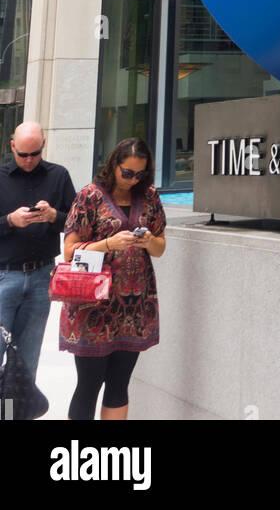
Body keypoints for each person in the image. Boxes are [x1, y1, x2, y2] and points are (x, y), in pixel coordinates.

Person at [60, 137, 166, 421]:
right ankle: (78, 459)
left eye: (139, 174)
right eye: (127, 173)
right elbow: (69, 251)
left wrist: (149, 240)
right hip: (92, 305)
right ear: (114, 165)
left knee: (119, 385)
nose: (132, 180)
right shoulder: (90, 196)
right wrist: (108, 244)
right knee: (89, 385)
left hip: (135, 305)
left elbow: (161, 248)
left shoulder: (150, 196)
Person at [0, 121, 76, 385]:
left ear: (44, 145)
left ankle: (12, 415)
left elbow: (78, 223)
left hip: (42, 275)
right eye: (23, 154)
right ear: (12, 147)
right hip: (4, 276)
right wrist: (10, 220)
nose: (29, 159)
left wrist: (54, 216)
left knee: (25, 362)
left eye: (35, 153)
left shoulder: (58, 175)